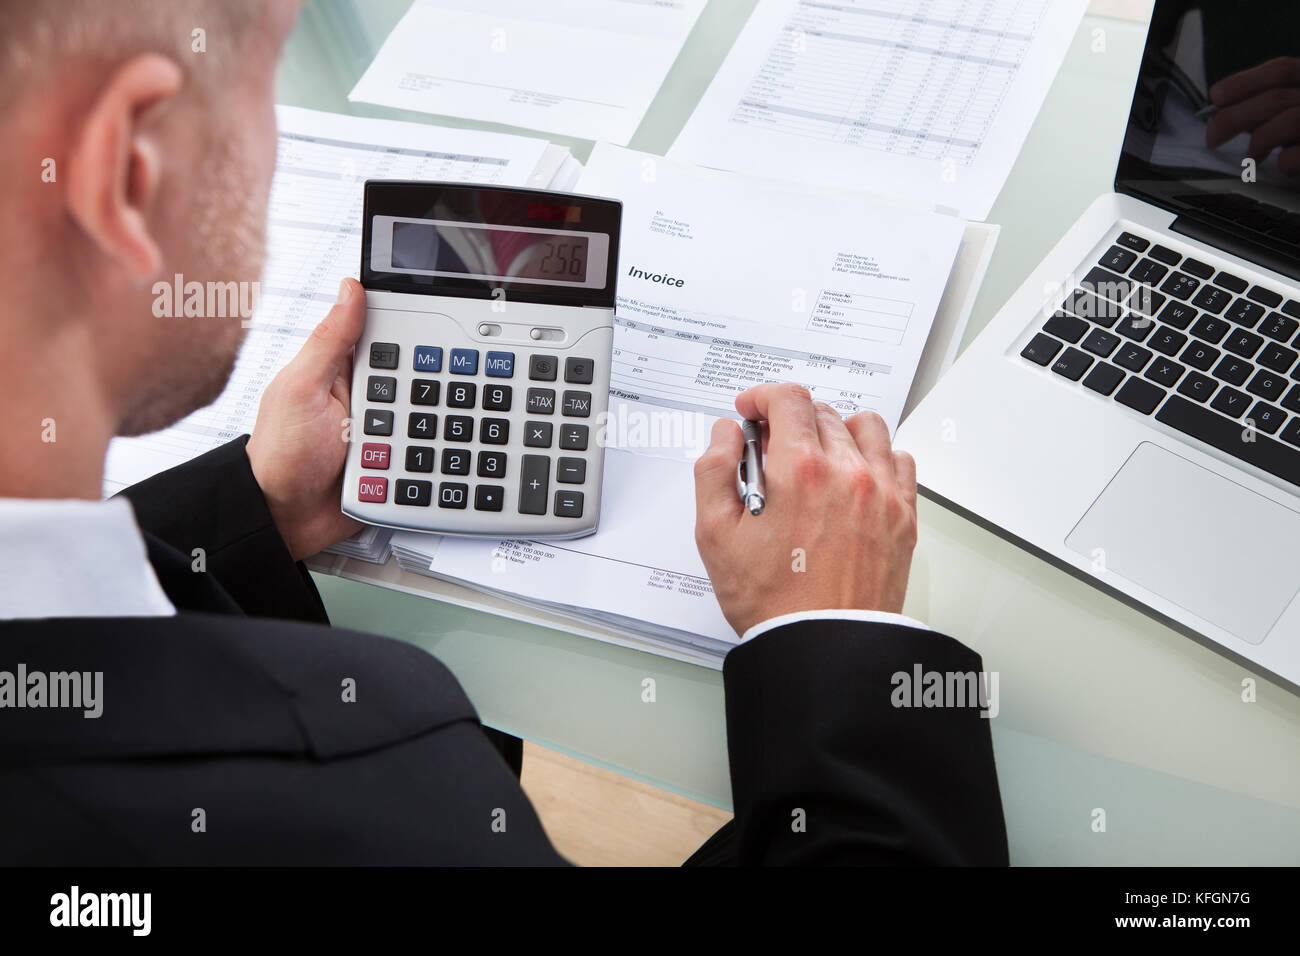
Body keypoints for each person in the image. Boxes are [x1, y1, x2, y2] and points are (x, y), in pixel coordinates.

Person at [0, 0, 1007, 865]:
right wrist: (832, 639)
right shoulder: (370, 804)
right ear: (126, 173)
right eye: (261, 90)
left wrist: (253, 507)